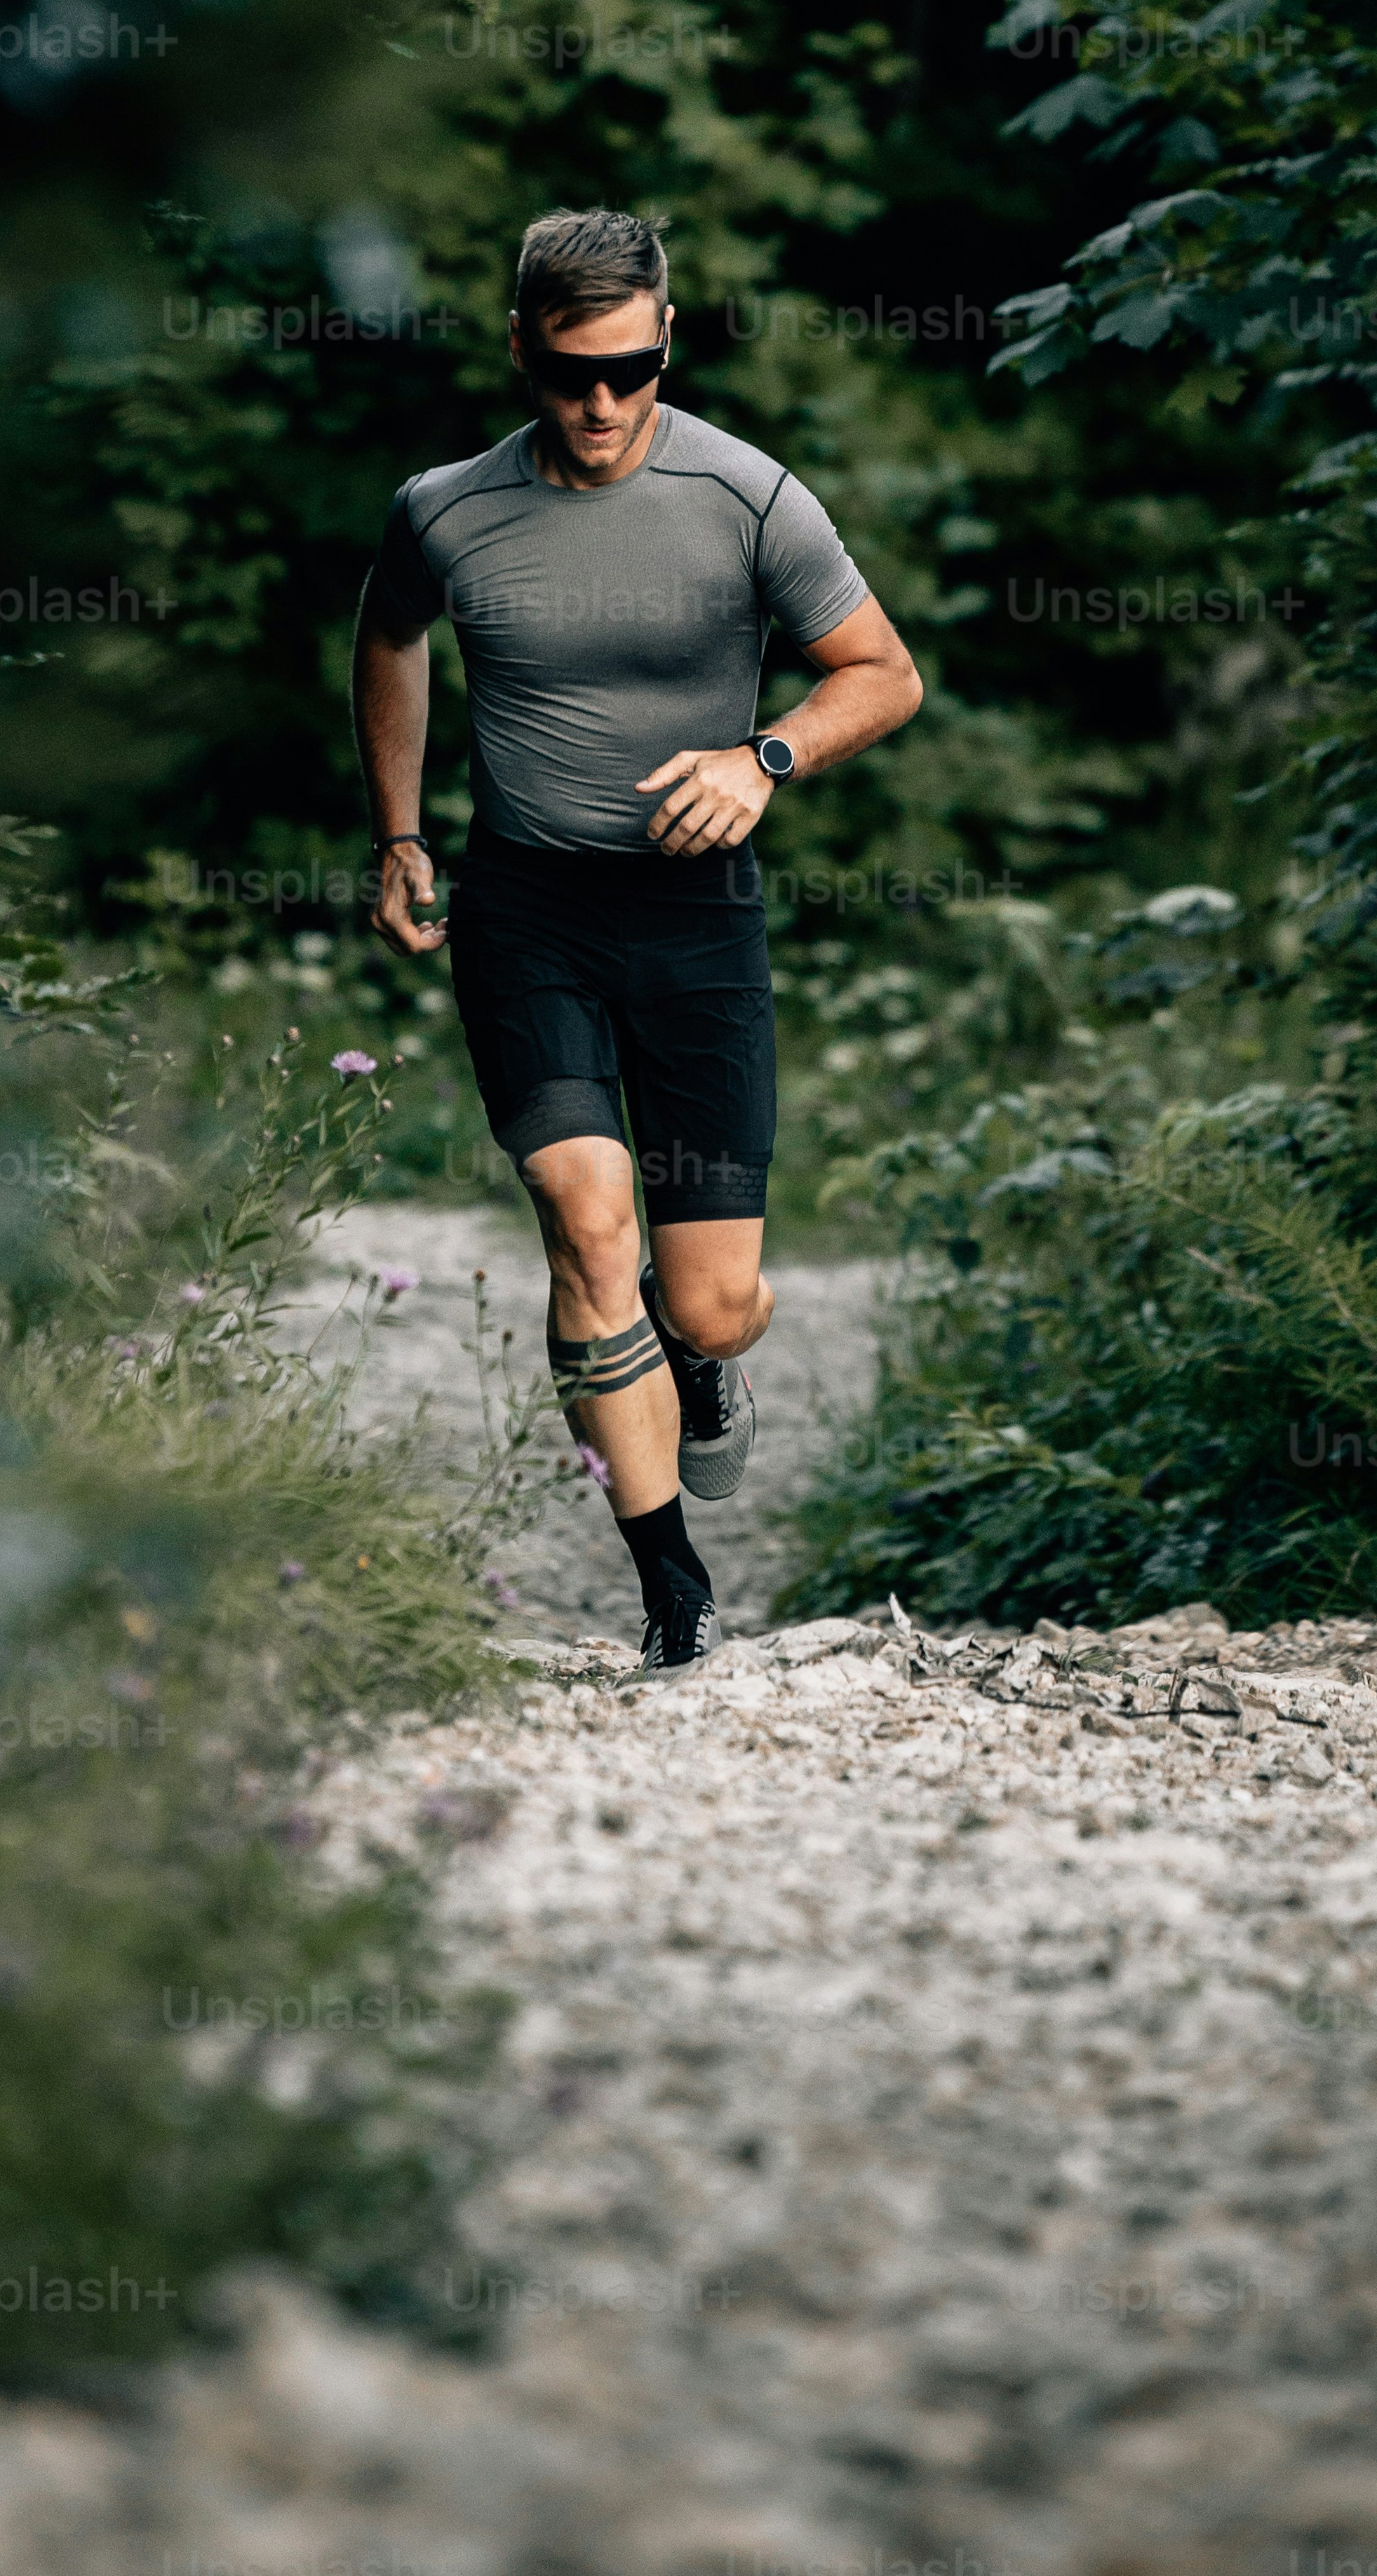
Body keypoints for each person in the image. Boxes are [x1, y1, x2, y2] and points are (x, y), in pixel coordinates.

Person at [351, 205, 922, 1670]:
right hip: (527, 908)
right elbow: (394, 636)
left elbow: (883, 673)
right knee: (585, 1217)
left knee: (708, 1299)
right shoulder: (446, 507)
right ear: (524, 353)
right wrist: (401, 830)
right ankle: (671, 1588)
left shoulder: (747, 497)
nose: (599, 406)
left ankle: (708, 1362)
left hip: (695, 922)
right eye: (566, 374)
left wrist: (767, 760)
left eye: (629, 371)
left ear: (667, 342)